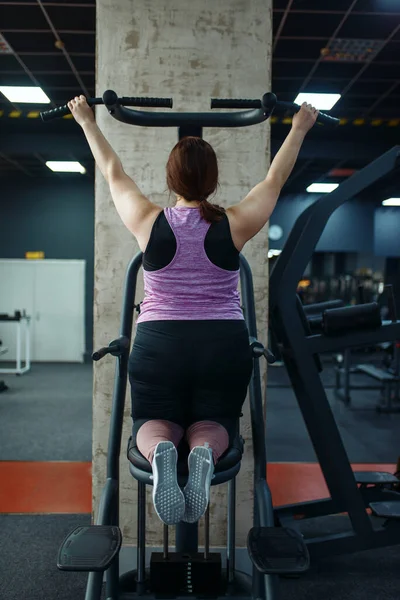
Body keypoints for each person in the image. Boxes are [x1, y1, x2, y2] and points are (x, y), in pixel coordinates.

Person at [68, 95, 318, 525]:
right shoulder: (235, 222)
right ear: (214, 180)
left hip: (159, 343)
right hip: (221, 344)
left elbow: (112, 171)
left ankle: (159, 450)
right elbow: (274, 180)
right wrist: (299, 127)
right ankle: (203, 452)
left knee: (153, 418)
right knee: (216, 419)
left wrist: (86, 120)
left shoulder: (147, 220)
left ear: (171, 178)